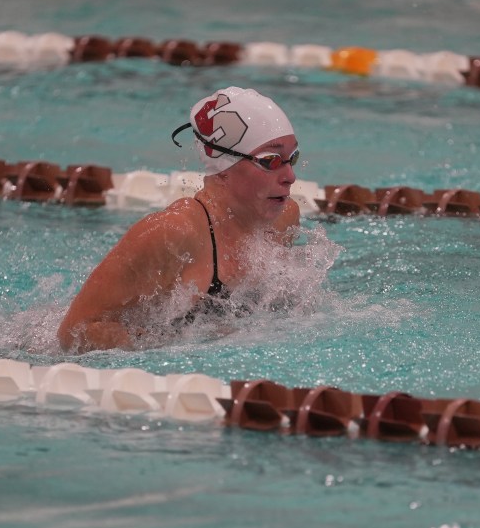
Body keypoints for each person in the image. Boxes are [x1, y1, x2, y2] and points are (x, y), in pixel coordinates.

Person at [57, 86, 301, 352]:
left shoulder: (284, 219)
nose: (290, 177)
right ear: (223, 167)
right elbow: (73, 333)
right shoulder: (172, 234)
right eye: (270, 161)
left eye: (292, 158)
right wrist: (167, 347)